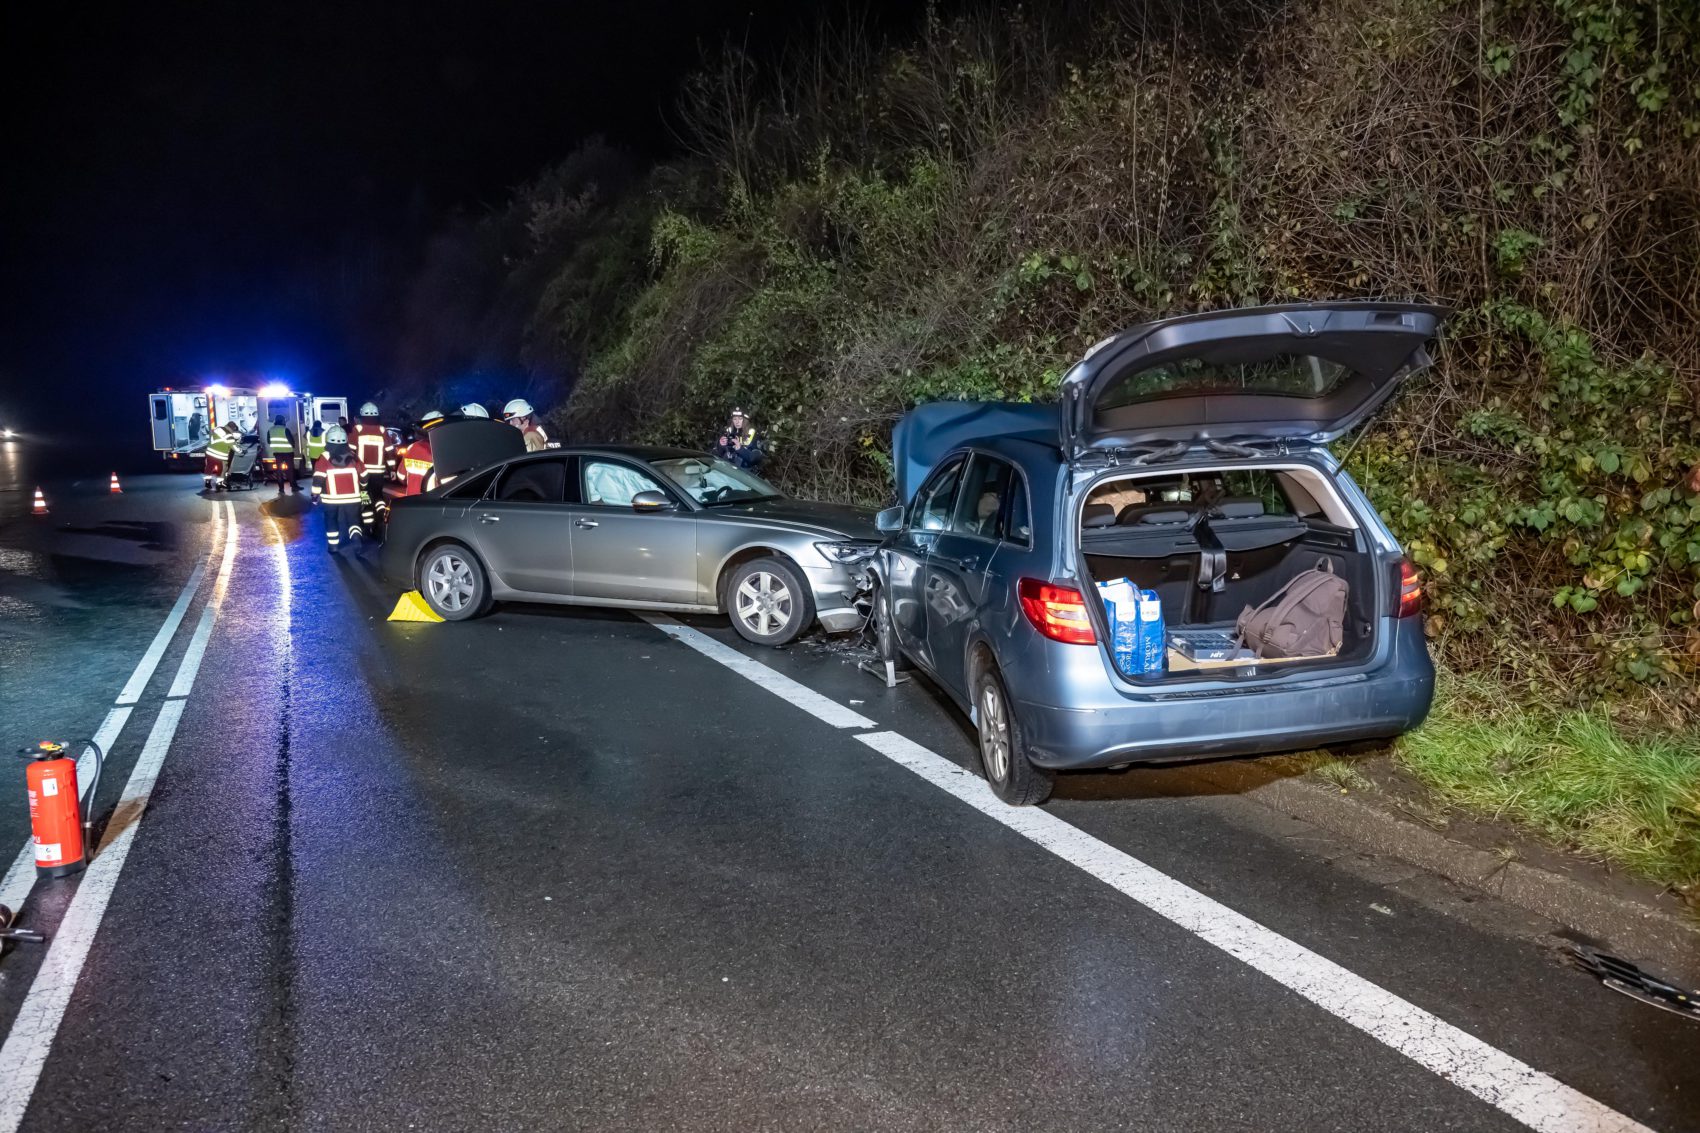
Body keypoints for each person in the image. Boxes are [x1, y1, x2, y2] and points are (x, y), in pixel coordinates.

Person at [311, 425, 365, 553]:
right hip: (353, 497)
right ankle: (356, 539)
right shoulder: (353, 456)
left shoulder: (323, 457)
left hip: (331, 499)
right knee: (354, 520)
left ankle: (333, 546)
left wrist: (314, 496)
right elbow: (364, 475)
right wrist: (363, 488)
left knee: (331, 520)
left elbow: (318, 479)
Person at [347, 402, 394, 536]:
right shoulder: (382, 430)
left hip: (363, 473)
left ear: (362, 415)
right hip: (378, 473)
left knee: (365, 497)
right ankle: (381, 516)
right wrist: (392, 469)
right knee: (378, 496)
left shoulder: (358, 429)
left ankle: (369, 526)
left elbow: (350, 452)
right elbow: (390, 451)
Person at [391, 410, 445, 498]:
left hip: (412, 502)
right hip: (433, 503)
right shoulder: (443, 450)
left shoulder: (412, 448)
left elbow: (401, 476)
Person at [265, 415, 298, 495]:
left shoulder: (270, 430)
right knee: (290, 470)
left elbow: (269, 441)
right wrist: (293, 446)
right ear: (282, 421)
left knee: (279, 471)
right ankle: (293, 487)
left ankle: (281, 489)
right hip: (288, 453)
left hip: (277, 453)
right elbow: (291, 441)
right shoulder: (285, 429)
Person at [202, 421, 240, 490]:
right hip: (219, 455)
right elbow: (234, 447)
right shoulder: (228, 435)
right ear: (232, 429)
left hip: (209, 452)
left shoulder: (218, 429)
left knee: (209, 467)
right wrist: (241, 451)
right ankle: (219, 484)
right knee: (222, 469)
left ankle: (207, 482)